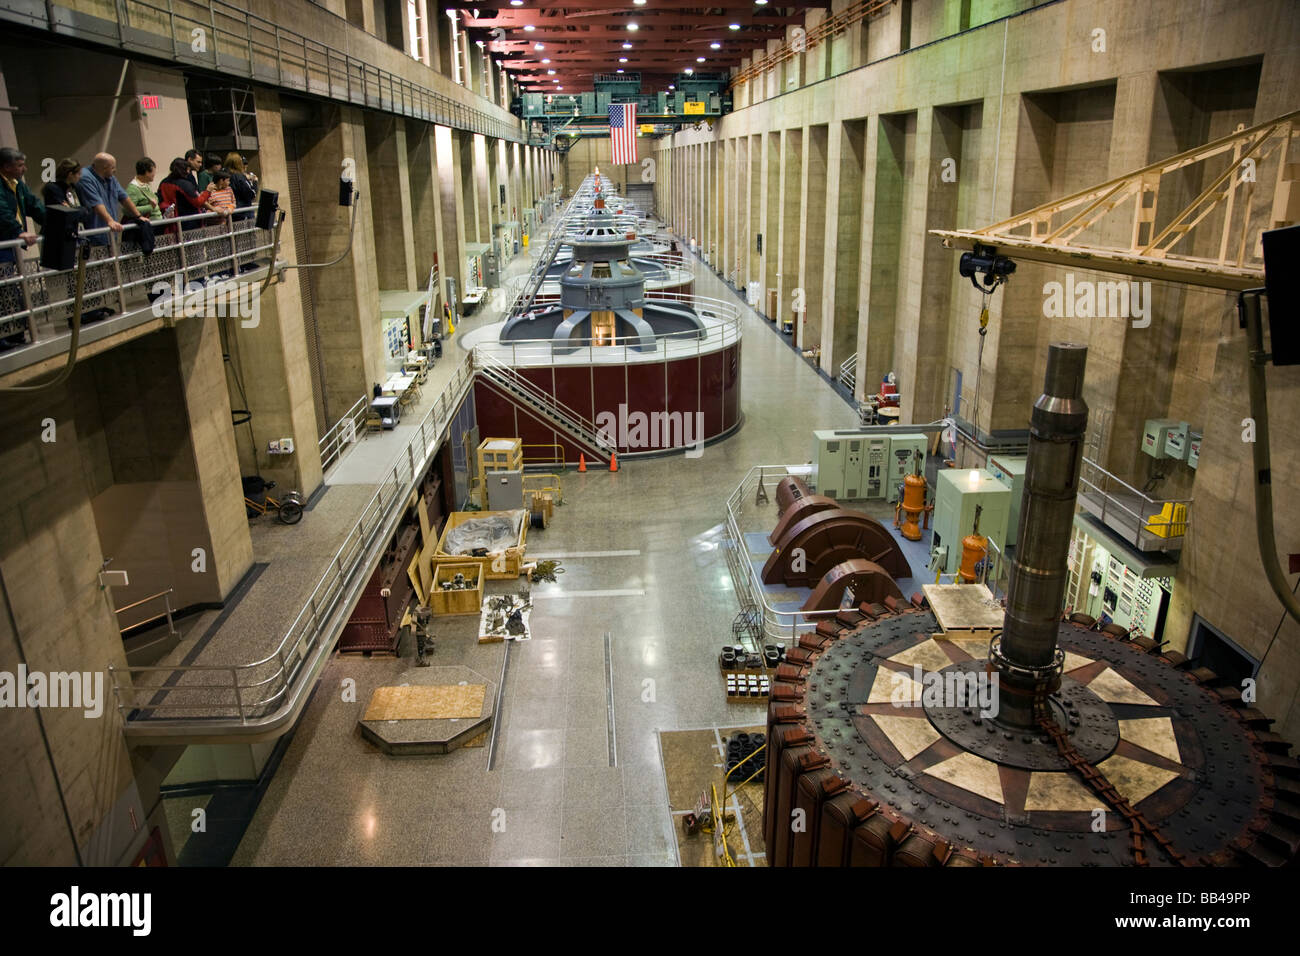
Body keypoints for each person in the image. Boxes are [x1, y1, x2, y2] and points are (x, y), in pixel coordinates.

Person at [76, 153, 144, 245]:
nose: (115, 170)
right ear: (104, 168)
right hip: (95, 233)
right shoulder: (85, 178)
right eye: (112, 168)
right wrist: (110, 221)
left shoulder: (111, 178)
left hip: (110, 233)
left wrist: (139, 216)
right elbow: (96, 203)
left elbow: (124, 197)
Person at [0, 147, 44, 264]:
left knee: (10, 278)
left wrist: (53, 223)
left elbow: (34, 205)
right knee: (6, 279)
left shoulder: (17, 183)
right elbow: (2, 211)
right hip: (3, 241)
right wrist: (18, 231)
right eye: (20, 166)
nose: (25, 169)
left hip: (9, 239)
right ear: (7, 167)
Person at [158, 157, 215, 228]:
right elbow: (198, 202)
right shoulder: (184, 184)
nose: (188, 172)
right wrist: (207, 191)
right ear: (185, 170)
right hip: (188, 220)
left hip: (170, 221)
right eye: (188, 169)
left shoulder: (163, 182)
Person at [223, 153, 258, 220]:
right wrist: (255, 182)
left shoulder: (223, 175)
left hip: (229, 213)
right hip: (242, 213)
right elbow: (251, 194)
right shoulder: (239, 177)